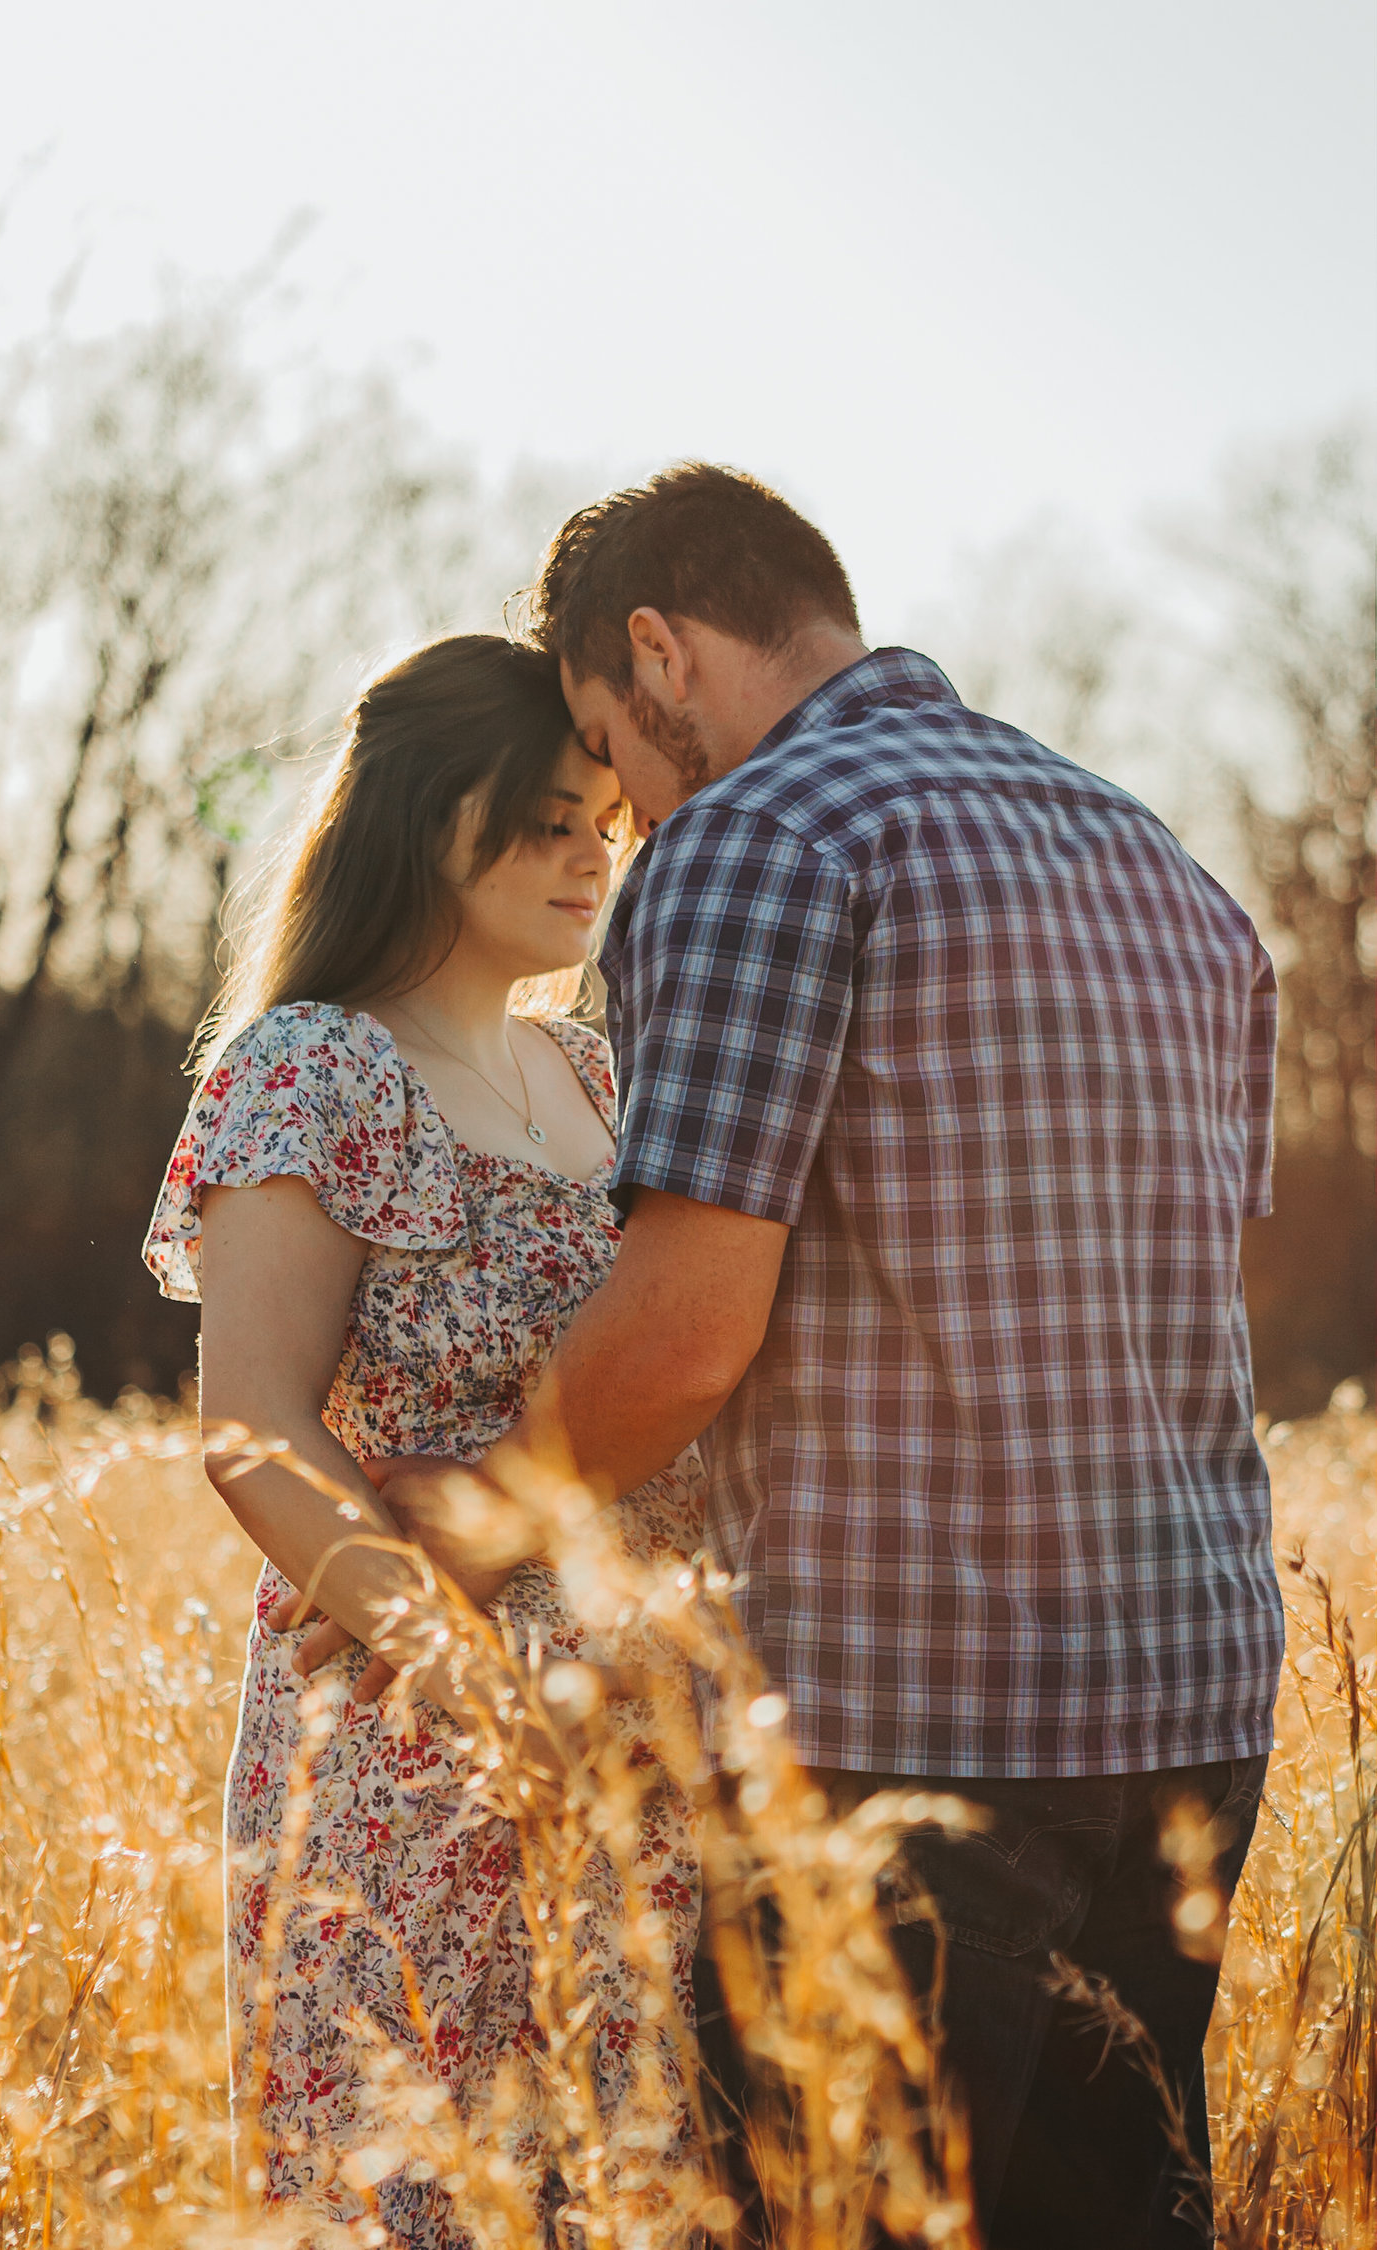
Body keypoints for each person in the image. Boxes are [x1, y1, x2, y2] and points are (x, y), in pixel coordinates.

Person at [332, 468, 1282, 2248]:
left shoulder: (759, 839)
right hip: (1198, 1712)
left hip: (919, 1740)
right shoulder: (1169, 866)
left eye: (616, 746)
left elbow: (687, 1332)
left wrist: (465, 1512)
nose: (628, 806)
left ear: (657, 651)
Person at [142, 634, 703, 2242]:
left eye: (605, 818)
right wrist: (466, 1680)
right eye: (541, 817)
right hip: (407, 1734)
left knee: (630, 2185)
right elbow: (252, 1427)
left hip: (642, 1729)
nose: (588, 852)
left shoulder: (598, 1067)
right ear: (420, 814)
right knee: (415, 2193)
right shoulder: (315, 1063)